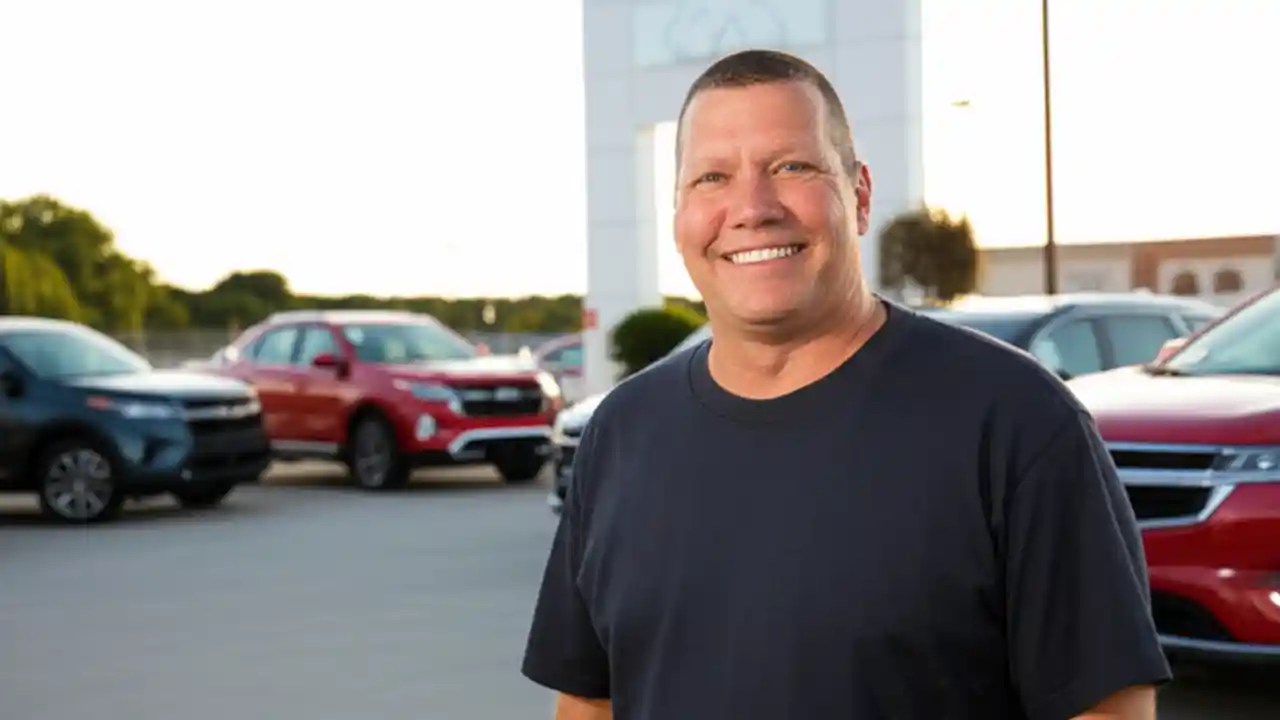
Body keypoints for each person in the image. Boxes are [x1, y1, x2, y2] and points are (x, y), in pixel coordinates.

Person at [522, 48, 1171, 719]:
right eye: (711, 177)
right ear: (680, 215)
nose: (752, 208)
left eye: (791, 167)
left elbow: (1103, 708)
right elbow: (588, 700)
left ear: (858, 195)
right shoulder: (623, 433)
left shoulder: (1014, 421)